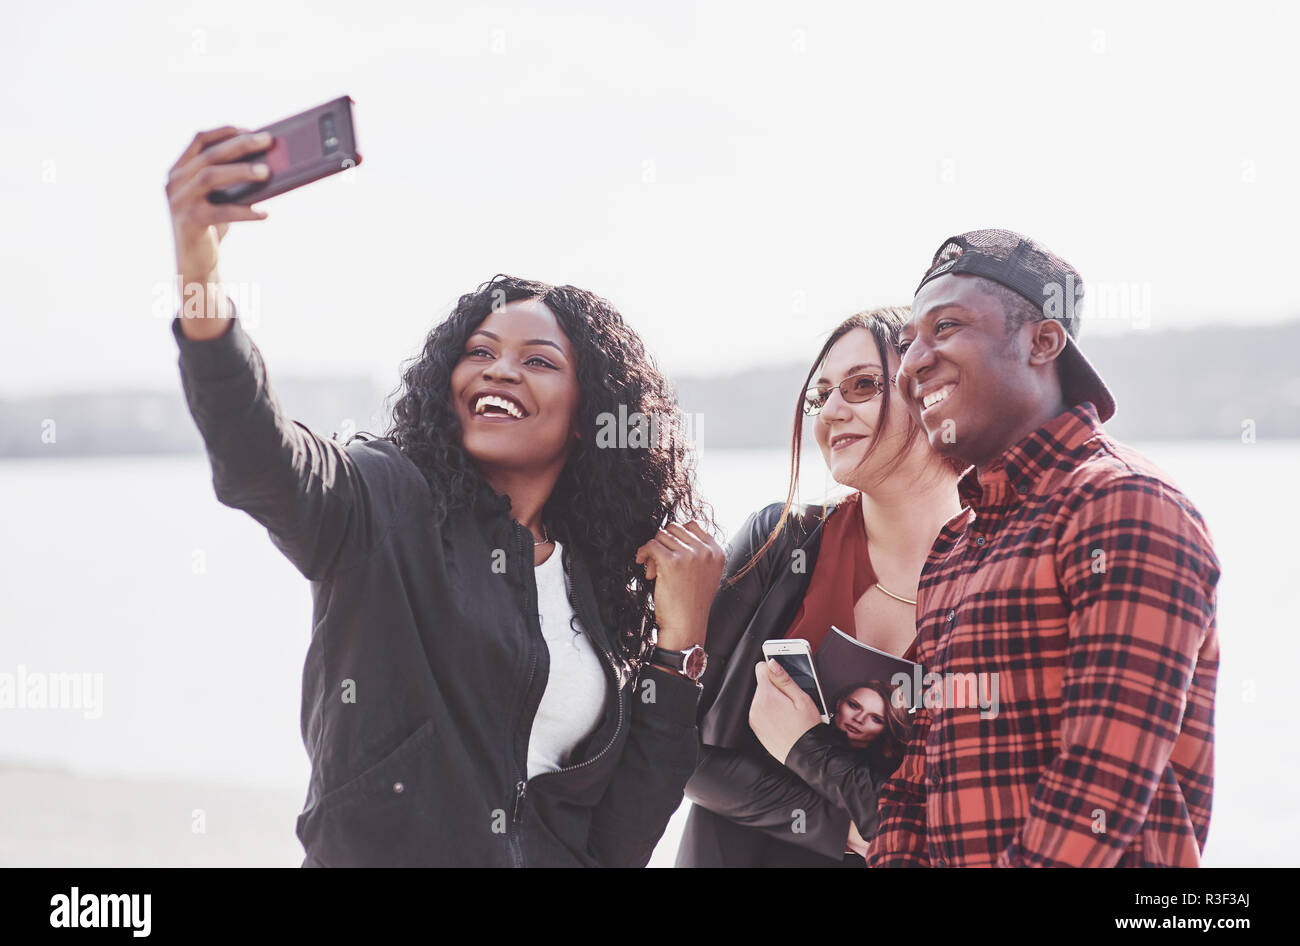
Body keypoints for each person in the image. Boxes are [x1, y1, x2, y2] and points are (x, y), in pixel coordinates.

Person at [164, 126, 725, 866]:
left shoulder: (593, 584)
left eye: (537, 359)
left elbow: (620, 841)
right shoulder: (384, 501)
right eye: (480, 352)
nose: (498, 371)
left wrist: (678, 649)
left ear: (591, 412)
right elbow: (259, 457)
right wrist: (199, 268)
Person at [868, 229, 1221, 867]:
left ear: (1043, 341)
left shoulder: (1122, 506)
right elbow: (913, 782)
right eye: (908, 341)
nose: (912, 364)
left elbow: (1100, 786)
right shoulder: (955, 547)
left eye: (945, 327)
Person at [675, 307, 963, 868]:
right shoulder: (781, 543)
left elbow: (965, 831)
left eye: (861, 386)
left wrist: (807, 749)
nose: (830, 411)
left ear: (934, 396)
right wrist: (840, 828)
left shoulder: (1002, 583)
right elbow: (672, 742)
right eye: (820, 394)